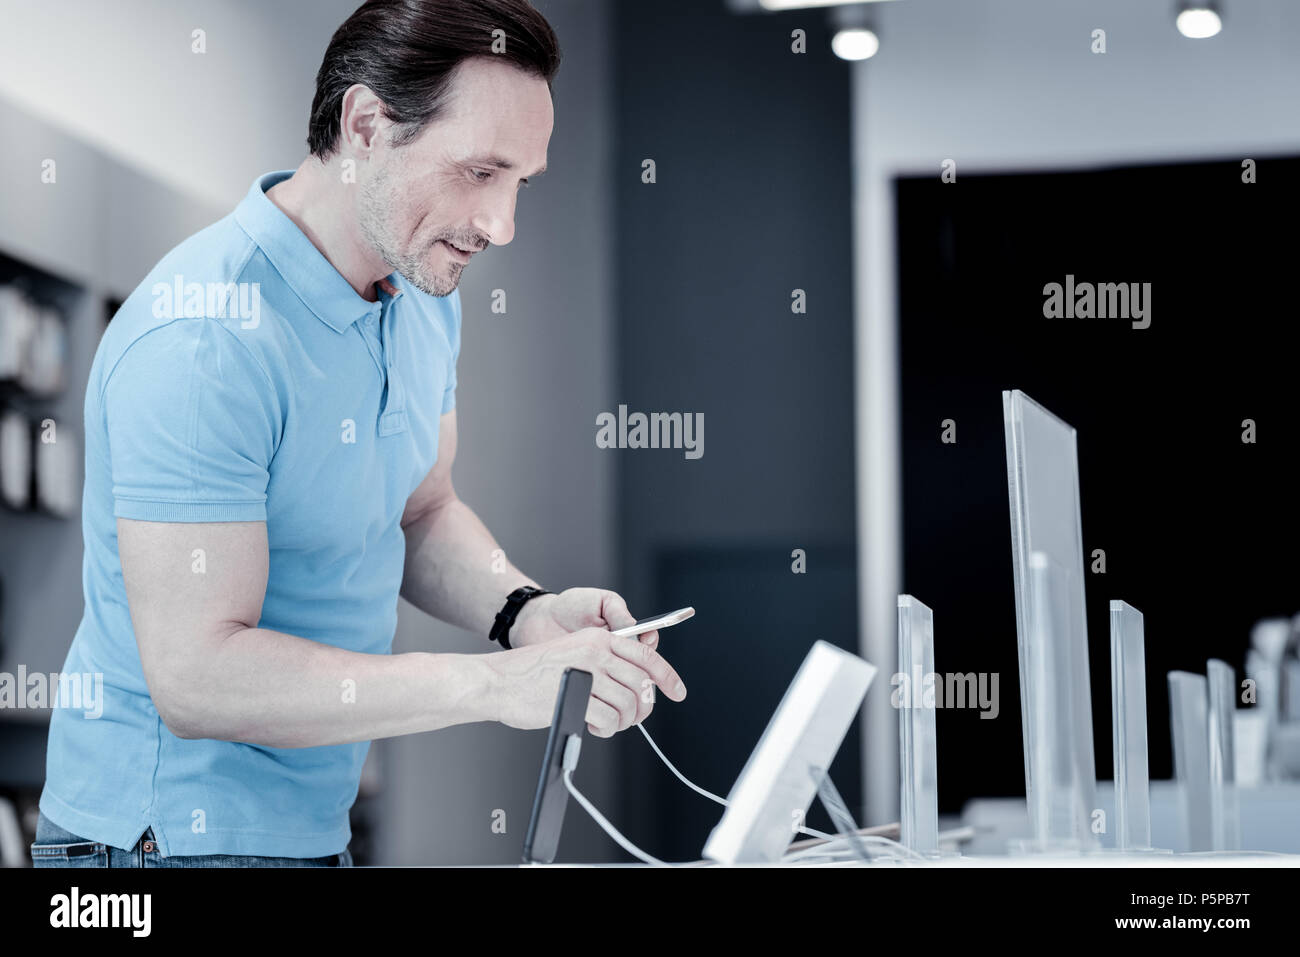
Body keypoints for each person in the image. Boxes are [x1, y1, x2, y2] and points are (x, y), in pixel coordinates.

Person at [32, 0, 685, 869]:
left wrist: (524, 613)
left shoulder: (417, 299)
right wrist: (496, 687)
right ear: (367, 123)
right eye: (479, 172)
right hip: (159, 847)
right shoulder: (205, 337)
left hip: (313, 831)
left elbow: (420, 509)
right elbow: (197, 674)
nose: (501, 225)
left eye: (519, 182)